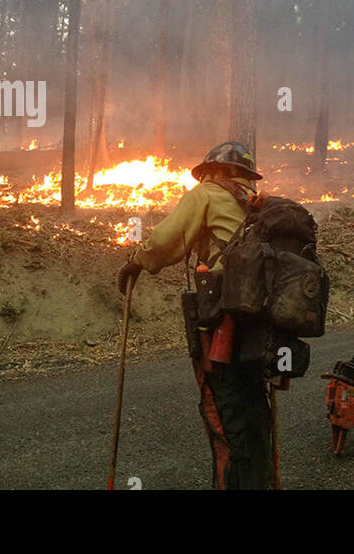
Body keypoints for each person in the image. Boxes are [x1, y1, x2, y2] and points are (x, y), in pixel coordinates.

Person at [116, 141, 273, 489]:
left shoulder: (206, 194)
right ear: (246, 175)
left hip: (225, 318)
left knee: (223, 405)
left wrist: (137, 262)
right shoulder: (258, 206)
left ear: (216, 171)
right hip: (261, 320)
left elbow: (166, 241)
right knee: (252, 403)